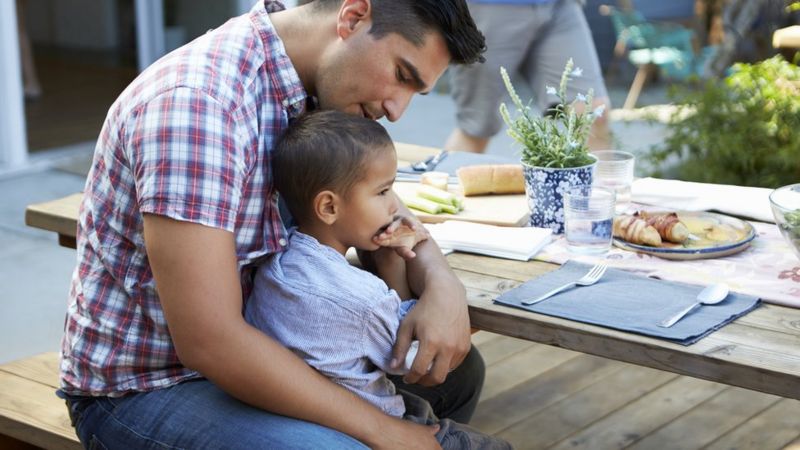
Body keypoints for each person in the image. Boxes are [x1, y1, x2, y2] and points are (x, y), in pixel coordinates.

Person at [58, 1, 486, 448]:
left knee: (454, 369)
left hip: (271, 344)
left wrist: (442, 286)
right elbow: (210, 342)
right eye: (402, 75)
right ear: (353, 16)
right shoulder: (199, 105)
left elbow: (384, 214)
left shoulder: (319, 82)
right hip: (151, 386)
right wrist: (386, 432)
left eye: (417, 92)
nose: (398, 110)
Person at [245, 110, 512, 449]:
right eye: (383, 191)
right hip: (368, 424)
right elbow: (416, 359)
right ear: (328, 207)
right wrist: (392, 265)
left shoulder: (275, 265)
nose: (394, 207)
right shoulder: (361, 299)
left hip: (305, 414)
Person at [444, 0, 612, 153]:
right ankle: (443, 183)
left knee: (593, 112)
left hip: (558, 6)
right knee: (477, 127)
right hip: (491, 7)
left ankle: (599, 187)